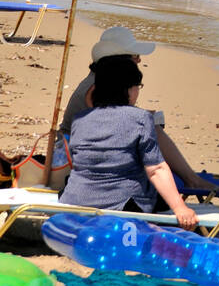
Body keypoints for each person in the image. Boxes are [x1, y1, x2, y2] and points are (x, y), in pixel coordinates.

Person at [59, 26, 215, 195]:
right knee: (151, 128)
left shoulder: (100, 82)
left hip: (78, 147)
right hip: (74, 156)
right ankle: (191, 180)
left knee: (147, 124)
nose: (139, 61)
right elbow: (109, 125)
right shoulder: (95, 89)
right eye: (136, 56)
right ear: (120, 61)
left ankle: (187, 177)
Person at [60, 58, 198, 228]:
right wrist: (180, 207)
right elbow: (156, 169)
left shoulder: (80, 120)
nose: (138, 92)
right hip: (123, 204)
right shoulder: (141, 119)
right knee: (159, 190)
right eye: (138, 87)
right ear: (128, 90)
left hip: (76, 199)